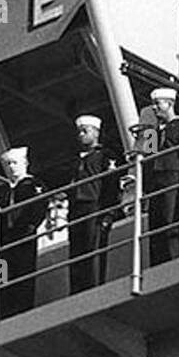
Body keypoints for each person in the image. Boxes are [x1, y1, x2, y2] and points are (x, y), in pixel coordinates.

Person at [69, 115, 121, 293]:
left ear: (96, 132)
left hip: (94, 206)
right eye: (80, 132)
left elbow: (111, 185)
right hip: (77, 209)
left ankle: (94, 287)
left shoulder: (105, 156)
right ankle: (77, 290)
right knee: (76, 253)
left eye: (86, 131)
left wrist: (109, 212)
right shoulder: (76, 160)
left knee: (94, 249)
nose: (81, 135)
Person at [146, 88, 179, 266]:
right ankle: (157, 264)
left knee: (170, 220)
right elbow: (148, 158)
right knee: (155, 225)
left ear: (170, 104)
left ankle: (174, 262)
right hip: (156, 181)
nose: (154, 108)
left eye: (158, 103)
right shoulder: (152, 133)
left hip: (172, 177)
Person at [0, 147, 45, 318]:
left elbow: (39, 206)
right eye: (8, 164)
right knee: (1, 276)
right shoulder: (4, 191)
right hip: (3, 242)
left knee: (23, 271)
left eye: (15, 163)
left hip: (23, 236)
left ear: (25, 164)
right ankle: (2, 311)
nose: (12, 167)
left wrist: (31, 225)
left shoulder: (33, 184)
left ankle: (22, 309)